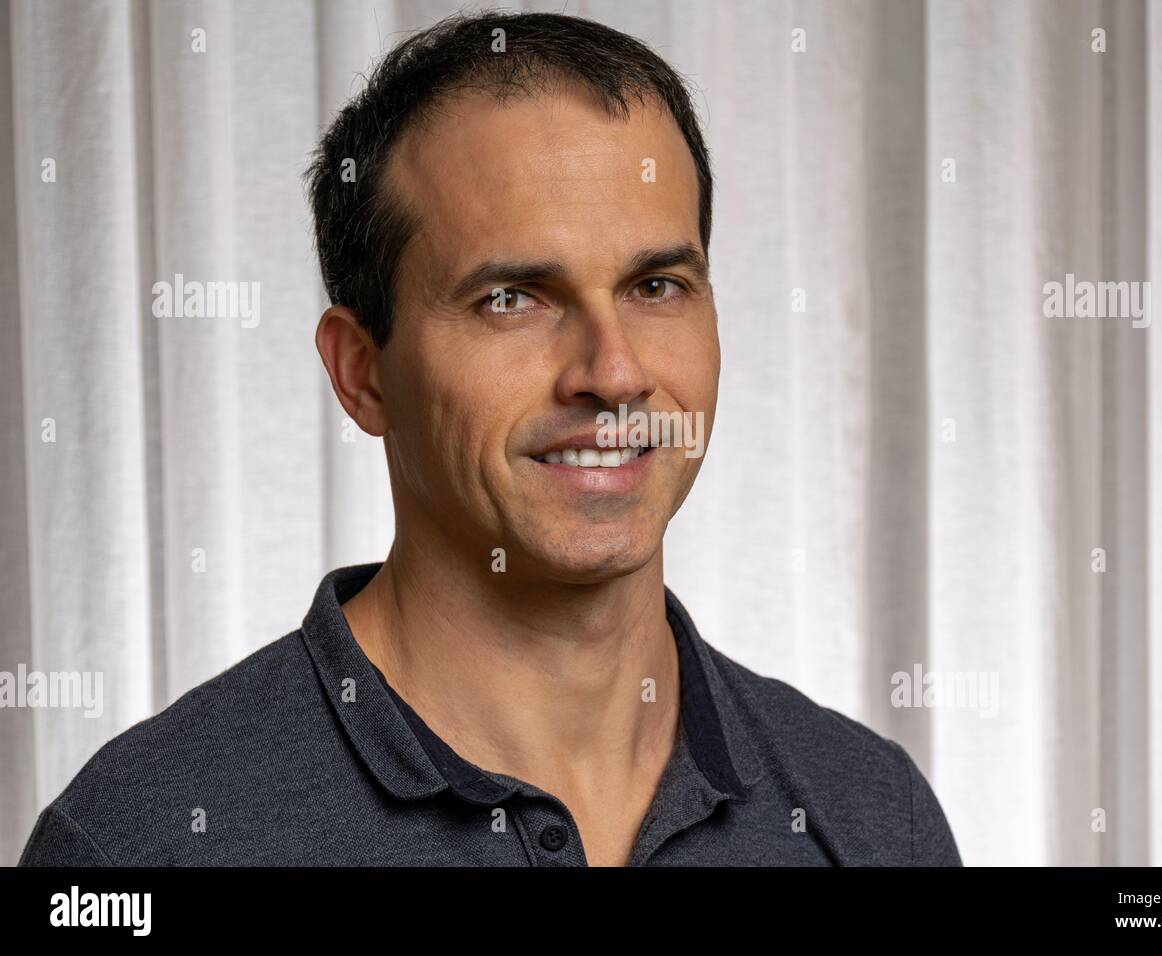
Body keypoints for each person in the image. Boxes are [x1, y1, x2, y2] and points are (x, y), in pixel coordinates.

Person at [20, 10, 960, 867]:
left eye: (657, 285)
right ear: (362, 372)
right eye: (512, 298)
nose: (615, 371)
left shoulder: (874, 818)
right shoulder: (138, 846)